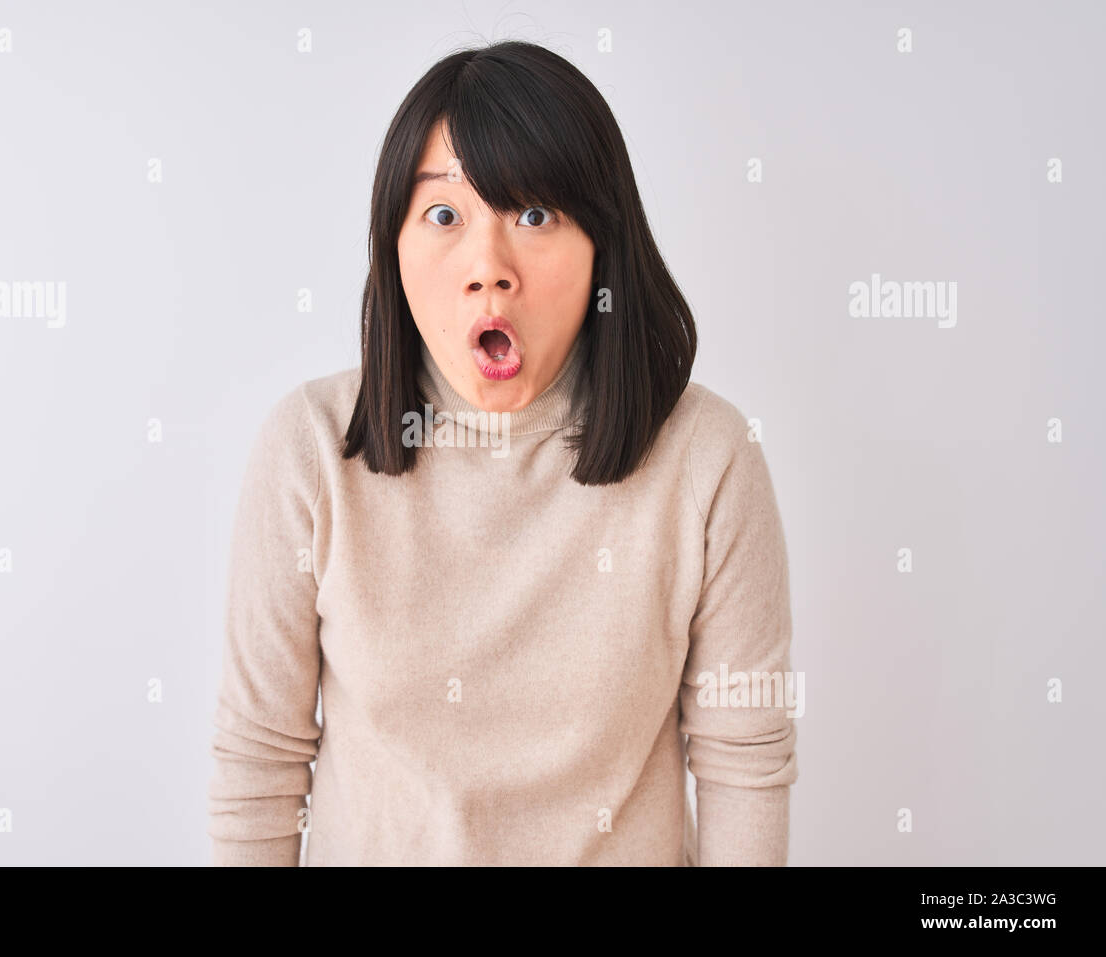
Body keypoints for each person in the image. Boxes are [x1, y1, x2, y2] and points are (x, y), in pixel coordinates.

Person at [207, 39, 798, 866]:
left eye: (533, 214)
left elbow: (743, 764)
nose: (489, 268)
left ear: (603, 243)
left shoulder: (710, 458)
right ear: (394, 246)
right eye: (444, 215)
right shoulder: (308, 450)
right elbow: (261, 765)